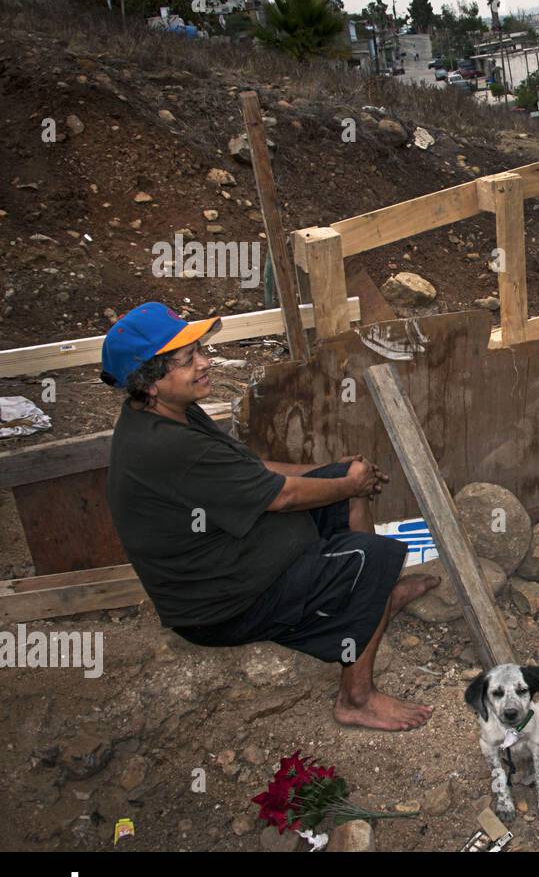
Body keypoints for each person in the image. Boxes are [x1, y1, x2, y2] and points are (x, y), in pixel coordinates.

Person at [101, 302, 440, 729]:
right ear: (149, 382)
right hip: (222, 606)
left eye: (200, 350)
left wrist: (336, 476)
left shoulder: (173, 413)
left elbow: (254, 470)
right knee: (370, 556)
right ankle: (356, 696)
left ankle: (371, 604)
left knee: (341, 484)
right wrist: (349, 483)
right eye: (189, 360)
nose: (206, 363)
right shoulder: (167, 447)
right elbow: (280, 498)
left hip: (237, 556)